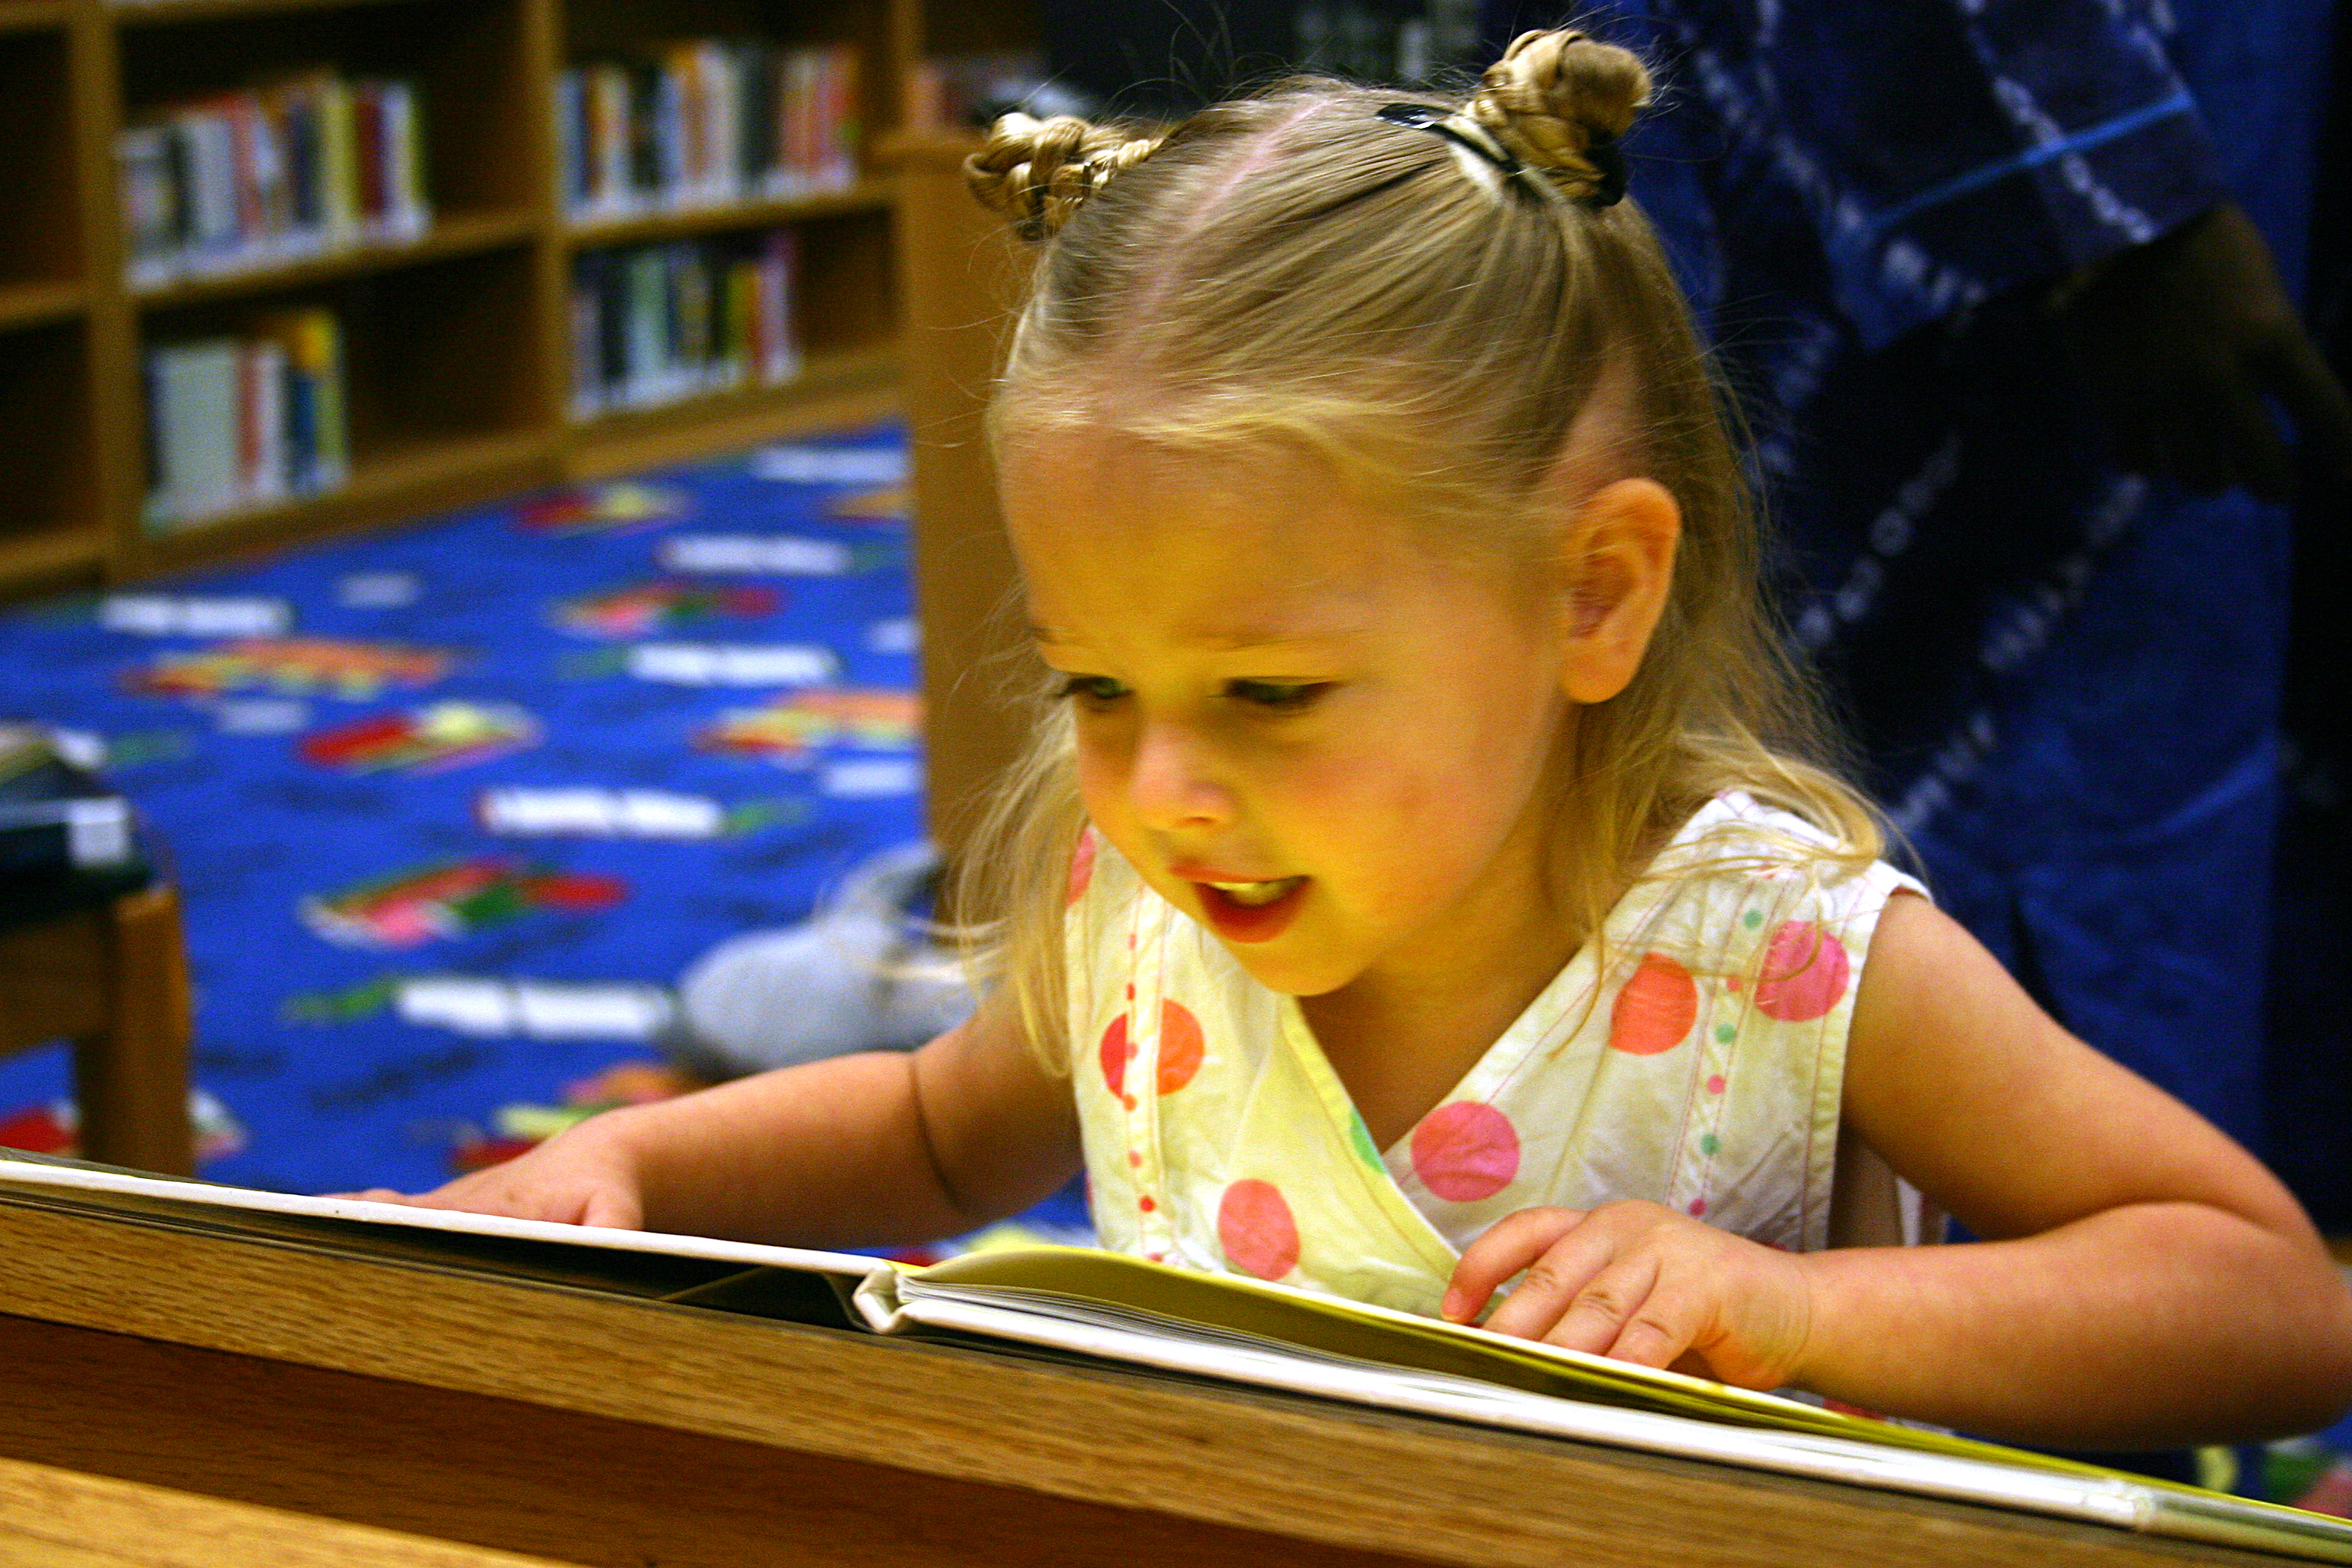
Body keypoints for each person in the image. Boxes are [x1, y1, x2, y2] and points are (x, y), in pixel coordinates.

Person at [352, 31, 2352, 1447]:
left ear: (1592, 597)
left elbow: (2275, 1309)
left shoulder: (1784, 957)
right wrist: (618, 1156)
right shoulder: (1142, 908)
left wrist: (1798, 1311)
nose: (1156, 792)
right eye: (1095, 686)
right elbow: (932, 1132)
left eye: (1271, 695)